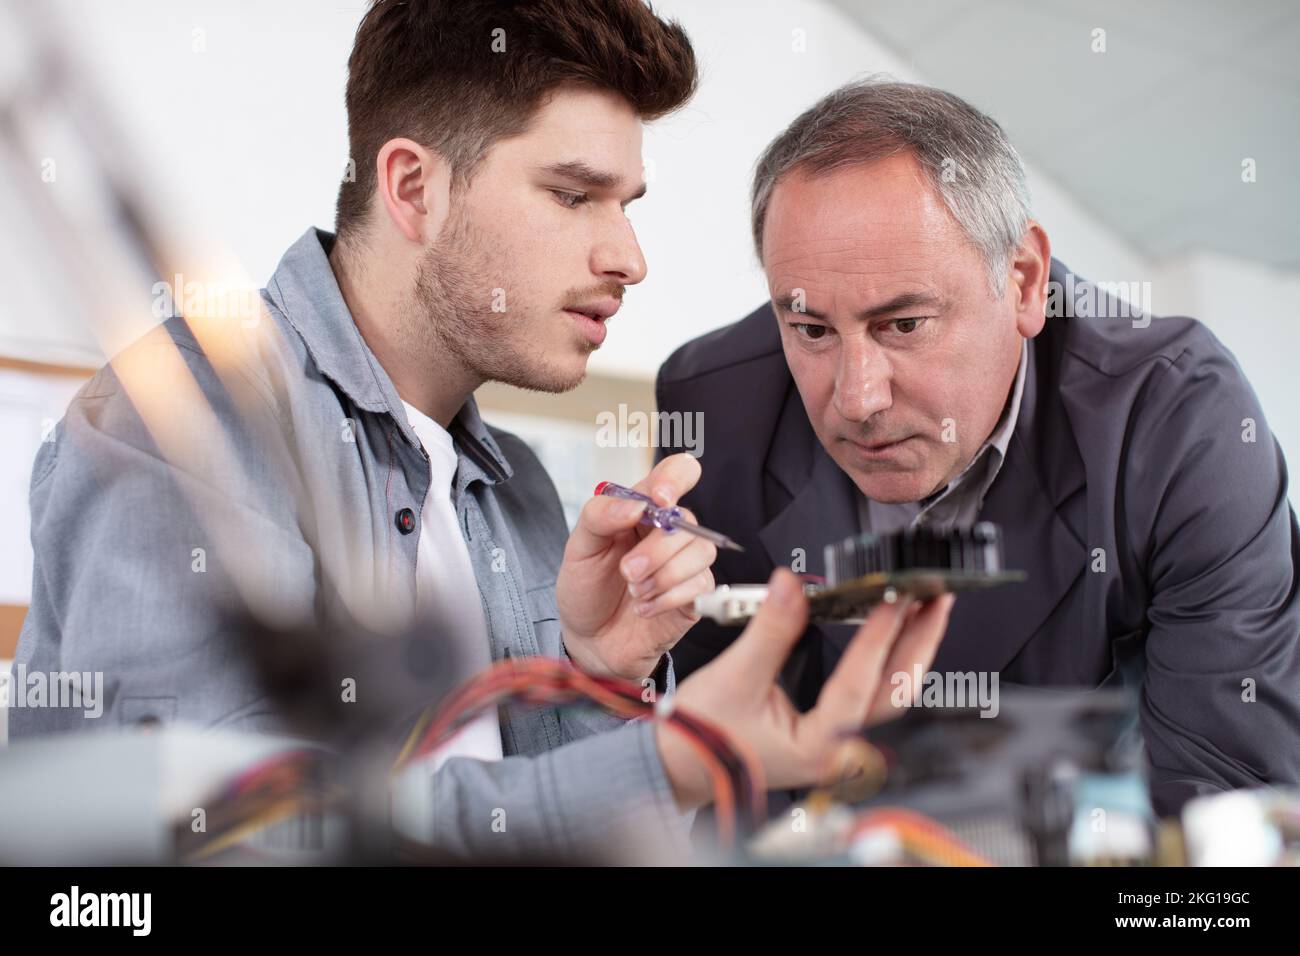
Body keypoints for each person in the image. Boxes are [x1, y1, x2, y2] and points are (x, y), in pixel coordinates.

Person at [10, 3, 953, 860]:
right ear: (413, 188)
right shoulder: (179, 423)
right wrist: (668, 758)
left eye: (627, 206)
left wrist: (605, 679)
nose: (629, 258)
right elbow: (222, 833)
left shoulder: (524, 491)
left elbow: (556, 830)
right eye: (574, 195)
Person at [656, 79, 1300, 817]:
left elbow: (1225, 809)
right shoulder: (714, 405)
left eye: (904, 324)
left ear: (1023, 282)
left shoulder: (1181, 419)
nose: (857, 398)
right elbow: (694, 762)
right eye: (811, 331)